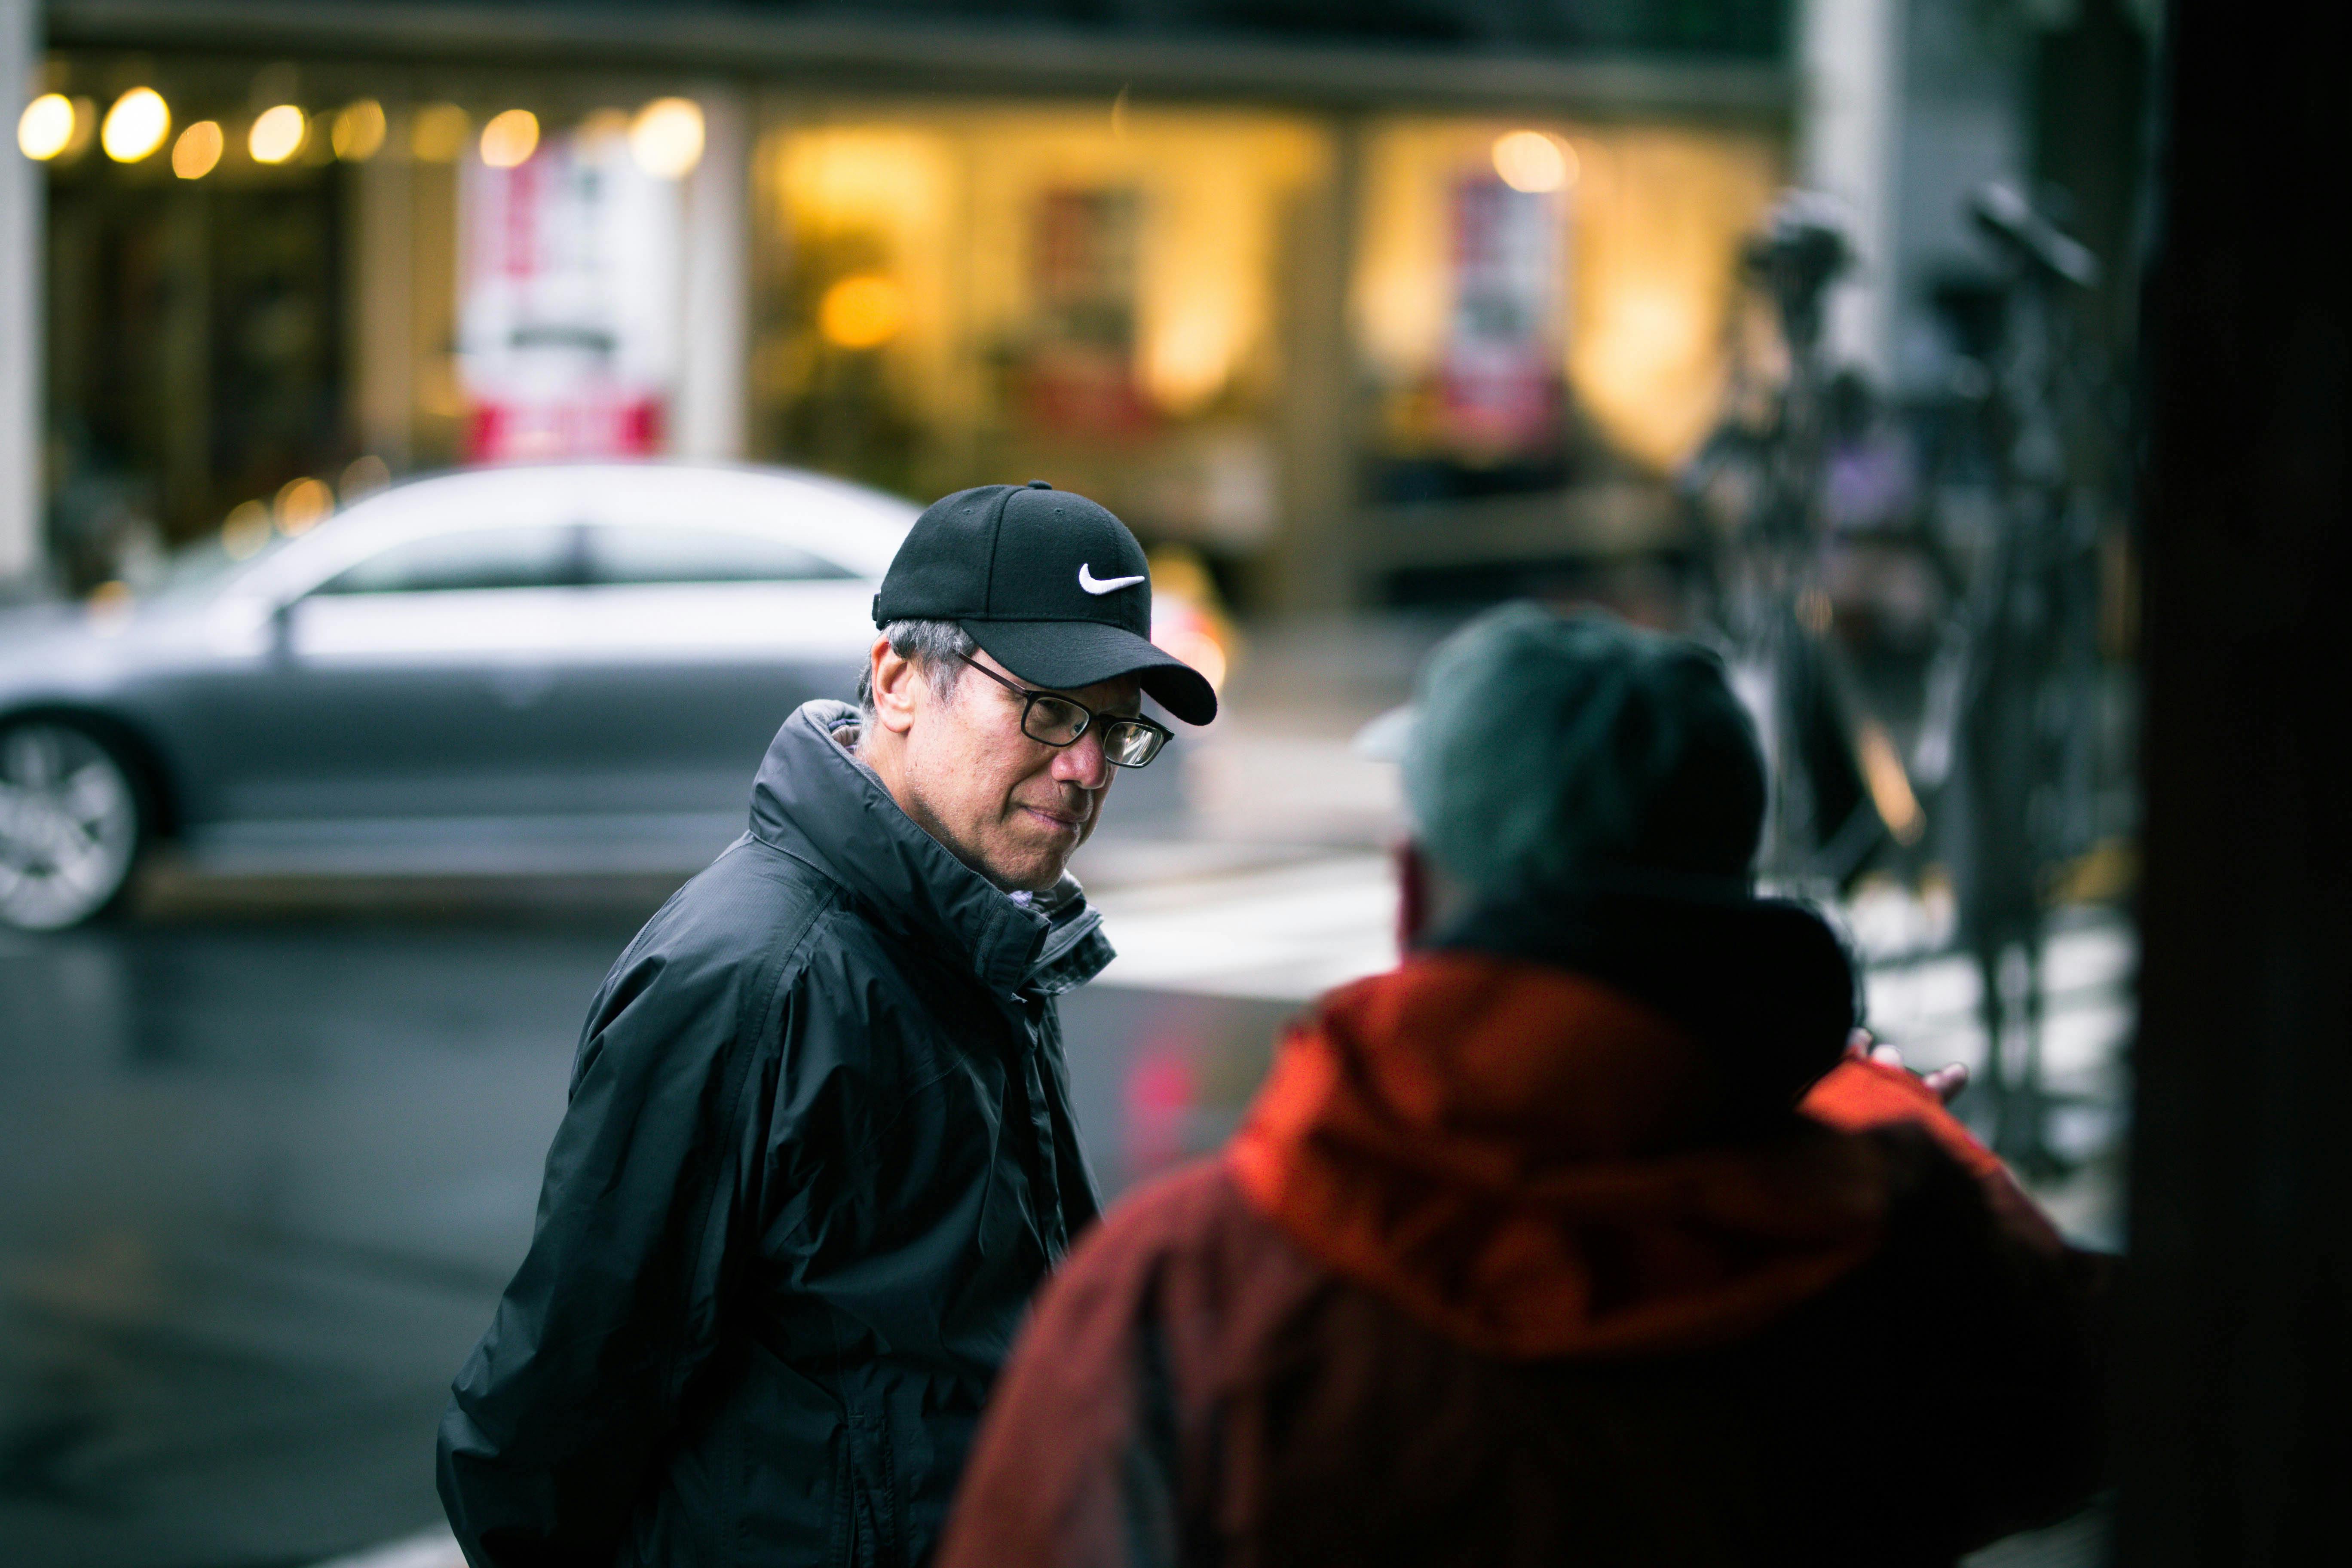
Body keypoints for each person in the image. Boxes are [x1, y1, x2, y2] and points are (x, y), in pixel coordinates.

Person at [937, 603, 2110, 1568]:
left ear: (1411, 898)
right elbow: (2085, 1414)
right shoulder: (1906, 1251)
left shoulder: (1184, 1297)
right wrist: (1876, 1128)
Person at [436, 482, 1217, 1567]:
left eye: (1116, 728)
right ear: (899, 681)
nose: (1085, 766)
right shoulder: (752, 979)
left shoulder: (974, 928)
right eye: (1048, 708)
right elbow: (547, 1419)